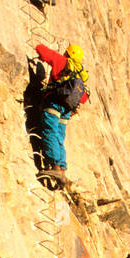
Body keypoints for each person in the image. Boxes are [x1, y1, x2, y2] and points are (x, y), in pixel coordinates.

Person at [33, 44, 90, 179]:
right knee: (59, 136)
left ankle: (55, 167)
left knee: (50, 131)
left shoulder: (63, 62)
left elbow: (41, 49)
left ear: (68, 54)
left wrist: (41, 57)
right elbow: (83, 98)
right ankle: (62, 168)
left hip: (54, 102)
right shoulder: (80, 74)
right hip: (67, 109)